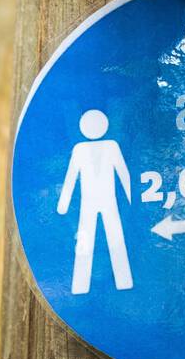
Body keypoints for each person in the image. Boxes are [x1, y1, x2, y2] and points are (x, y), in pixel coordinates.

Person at [56, 109, 133, 295]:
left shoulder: (111, 146)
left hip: (108, 201)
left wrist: (132, 197)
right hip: (89, 203)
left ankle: (123, 281)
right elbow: (71, 176)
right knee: (85, 241)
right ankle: (81, 285)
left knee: (114, 239)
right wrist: (63, 204)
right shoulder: (80, 149)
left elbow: (124, 173)